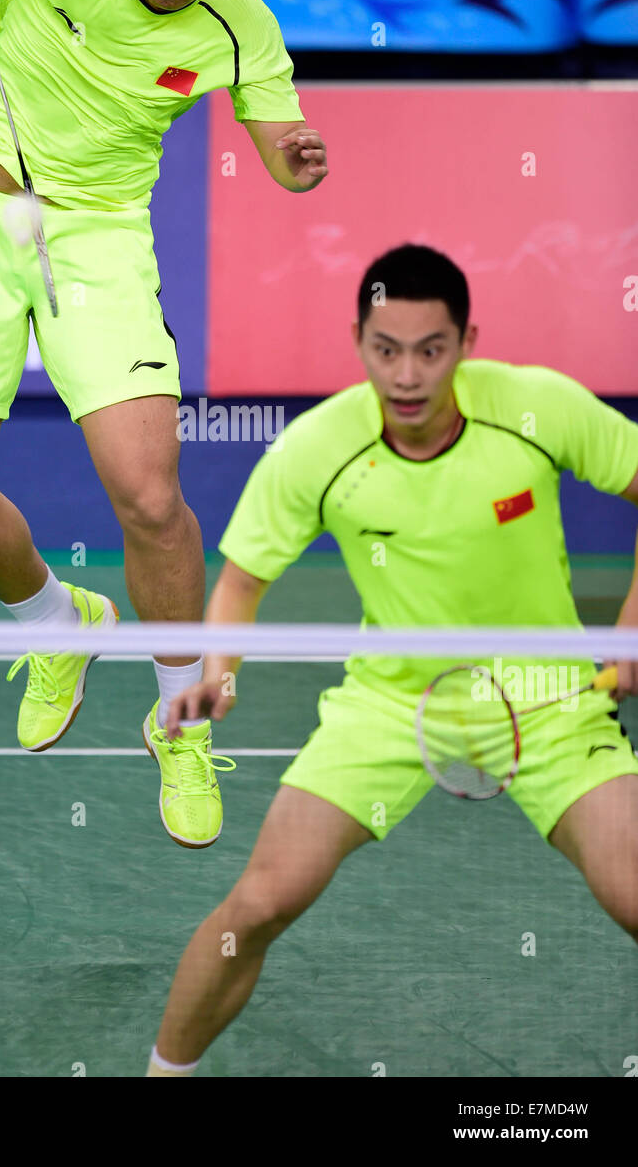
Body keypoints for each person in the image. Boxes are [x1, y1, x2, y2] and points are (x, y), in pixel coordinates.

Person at [0, 0, 328, 849]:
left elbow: (280, 148)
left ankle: (179, 718)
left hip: (94, 238)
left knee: (148, 492)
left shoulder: (239, 26)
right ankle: (57, 625)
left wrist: (298, 155)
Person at [145, 242, 638, 1076]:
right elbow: (239, 582)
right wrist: (218, 673)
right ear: (357, 340)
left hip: (548, 696)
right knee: (260, 903)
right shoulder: (318, 446)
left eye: (429, 349)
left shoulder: (533, 408)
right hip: (391, 700)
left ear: (465, 341)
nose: (406, 374)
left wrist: (628, 632)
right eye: (385, 349)